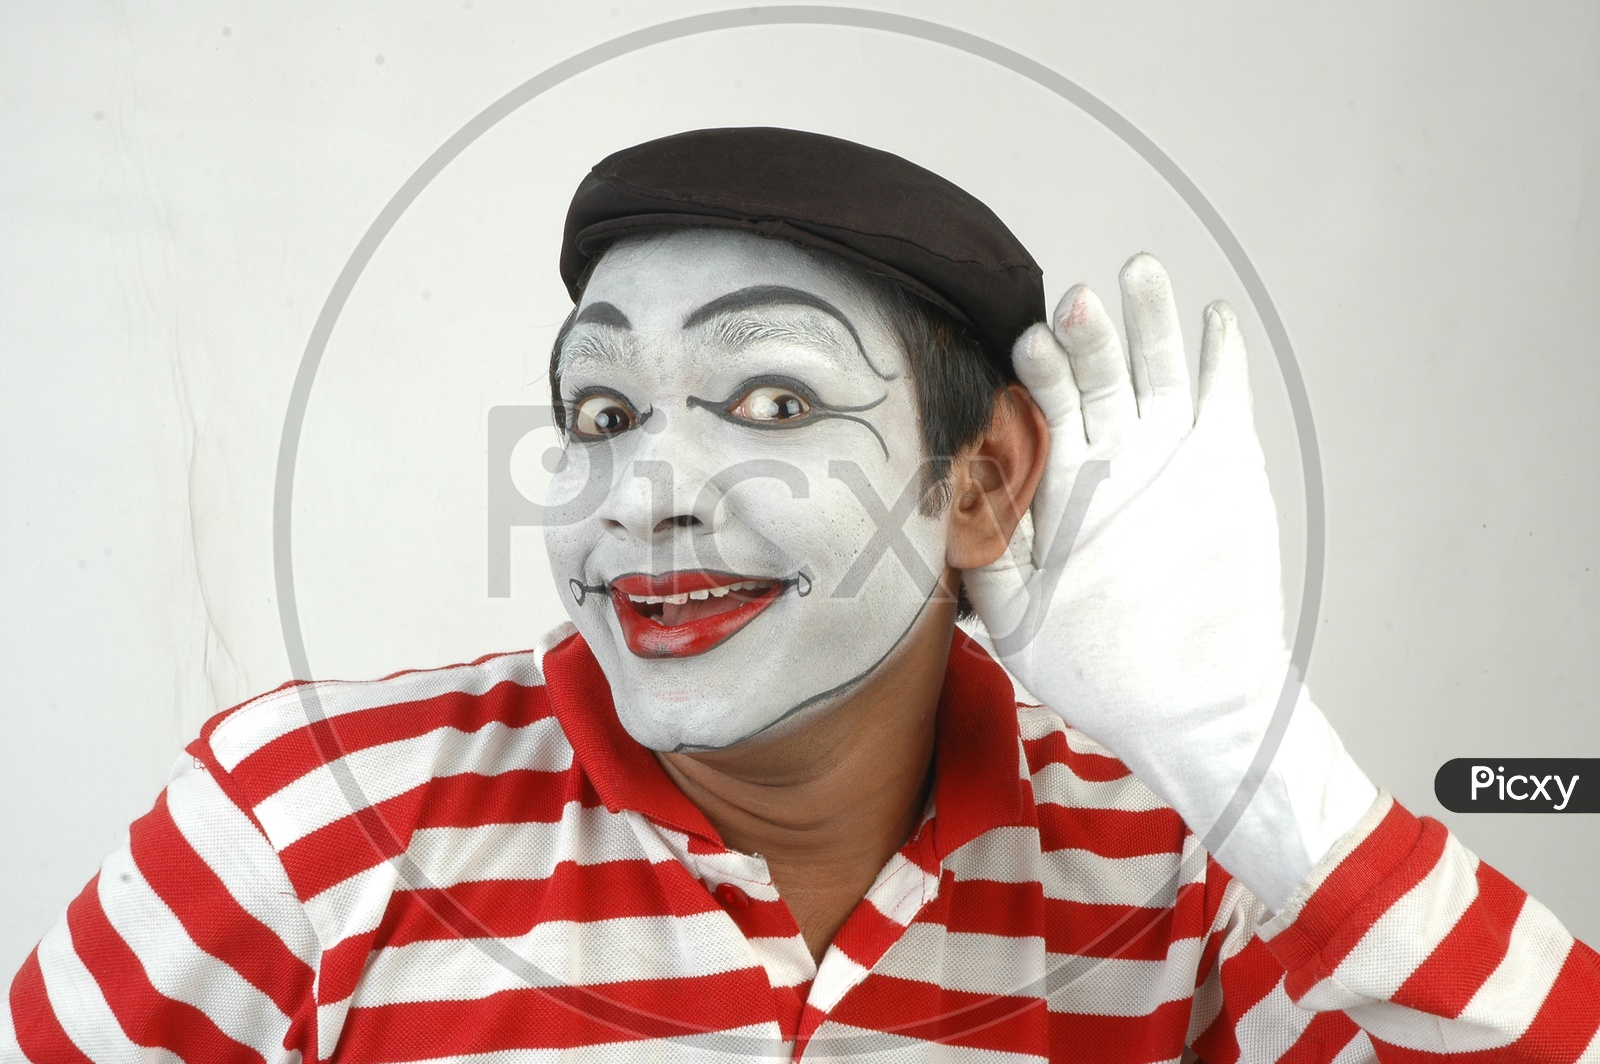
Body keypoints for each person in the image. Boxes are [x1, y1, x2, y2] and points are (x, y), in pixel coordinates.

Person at [5, 127, 1596, 1063]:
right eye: (603, 413)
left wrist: (1249, 751)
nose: (649, 489)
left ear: (978, 480)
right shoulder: (298, 814)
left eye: (770, 404)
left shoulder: (1171, 877)